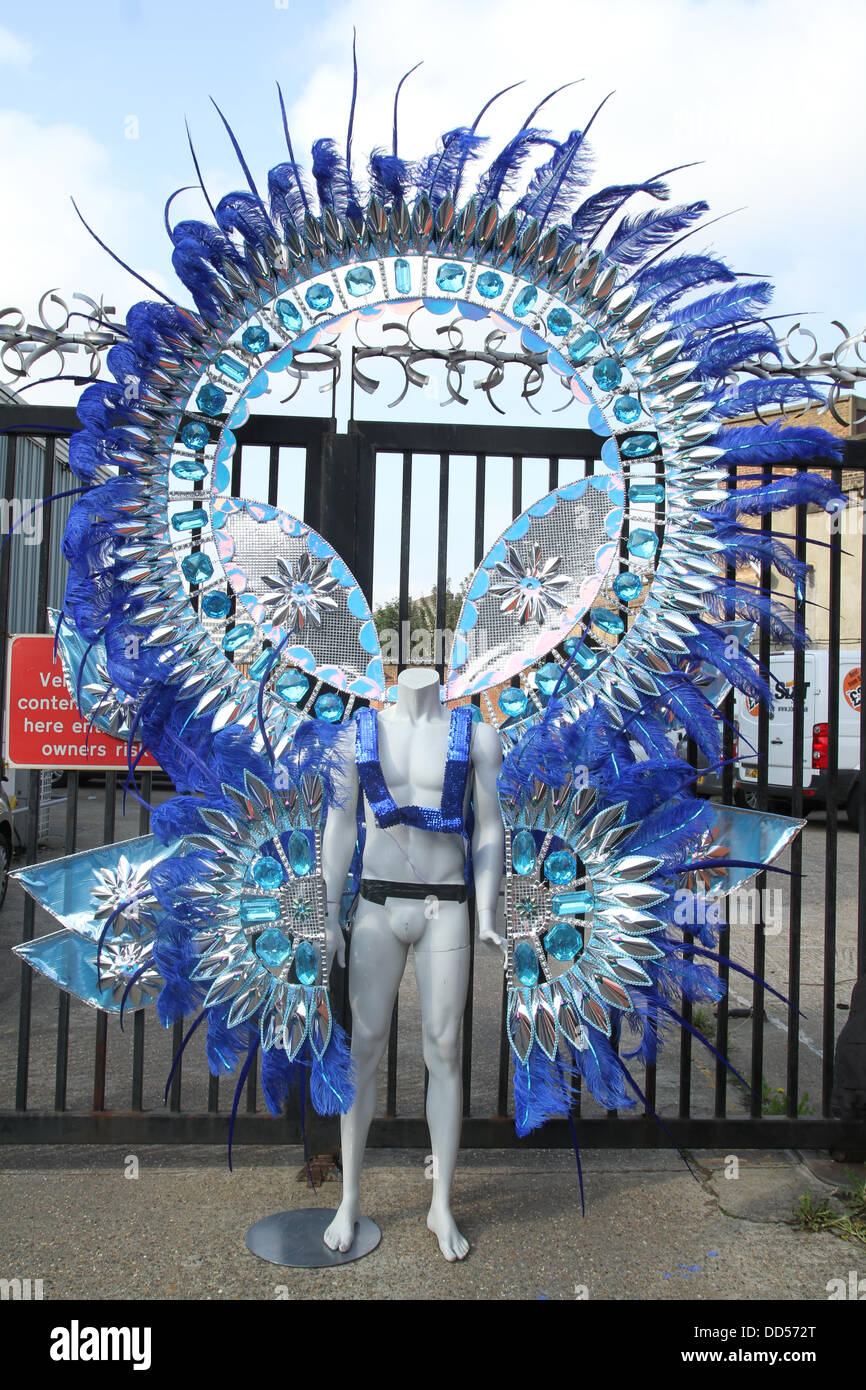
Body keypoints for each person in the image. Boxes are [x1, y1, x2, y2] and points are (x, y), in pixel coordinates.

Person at [321, 667, 504, 1260]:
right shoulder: (355, 735)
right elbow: (340, 822)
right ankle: (349, 1198)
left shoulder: (476, 735)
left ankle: (441, 1203)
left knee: (444, 1049)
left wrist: (485, 909)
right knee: (364, 1047)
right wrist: (327, 912)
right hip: (376, 901)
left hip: (445, 905)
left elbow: (490, 826)